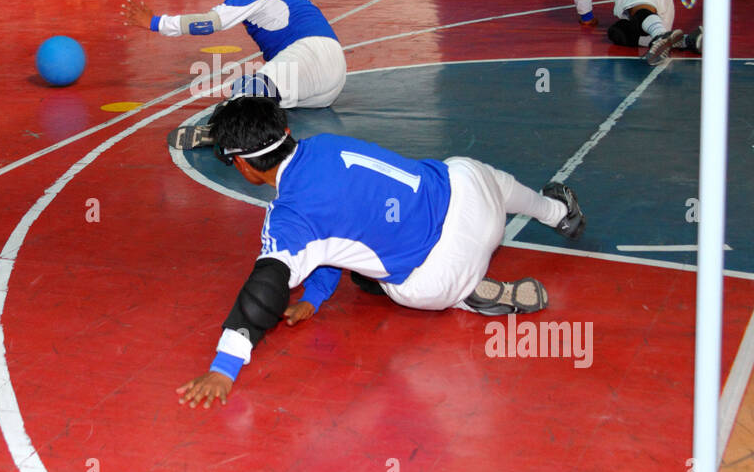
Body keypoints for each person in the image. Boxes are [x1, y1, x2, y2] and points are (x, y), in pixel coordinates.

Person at [175, 96, 586, 408]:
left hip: (439, 278)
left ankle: (467, 295)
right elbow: (340, 231)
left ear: (244, 167)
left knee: (385, 281)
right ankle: (557, 212)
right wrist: (314, 299)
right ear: (284, 130)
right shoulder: (326, 145)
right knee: (468, 170)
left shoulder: (288, 219)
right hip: (475, 201)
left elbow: (265, 289)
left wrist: (223, 369)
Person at [123, 0, 347, 122]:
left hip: (308, 57)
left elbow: (208, 23)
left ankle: (223, 134)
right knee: (260, 93)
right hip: (330, 84)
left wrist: (155, 22)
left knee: (244, 94)